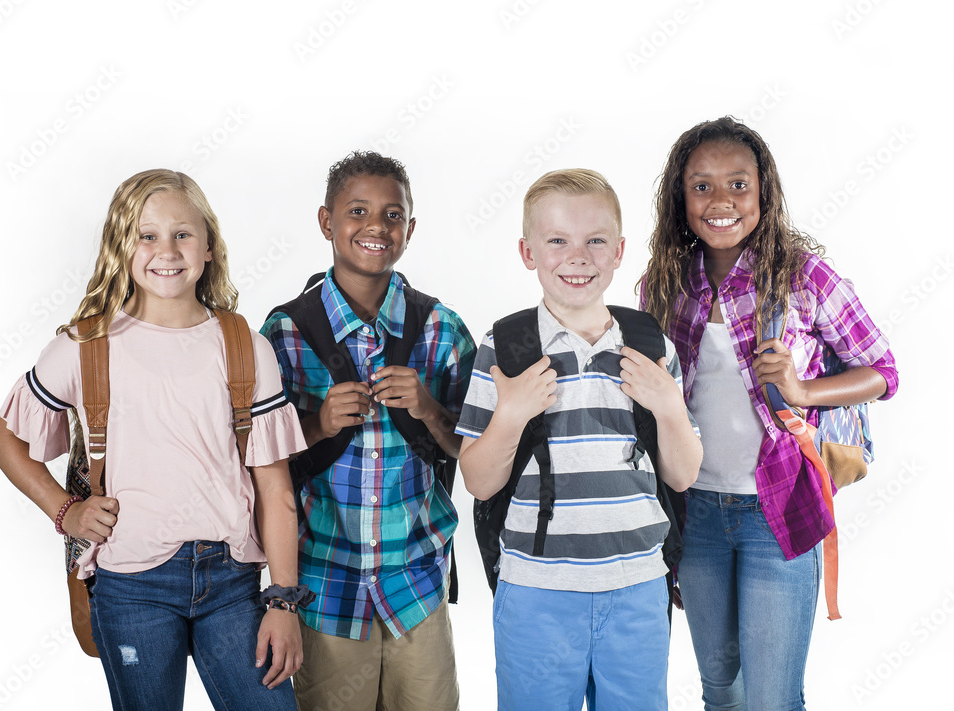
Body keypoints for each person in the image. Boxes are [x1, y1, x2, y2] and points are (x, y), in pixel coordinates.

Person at [0, 169, 308, 711]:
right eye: (147, 234)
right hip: (131, 585)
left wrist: (283, 602)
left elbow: (276, 492)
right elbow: (2, 439)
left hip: (232, 582)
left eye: (183, 233)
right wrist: (65, 511)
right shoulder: (86, 345)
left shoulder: (245, 346)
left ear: (208, 246)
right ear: (121, 245)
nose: (167, 250)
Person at [640, 116, 899, 710]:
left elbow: (883, 373)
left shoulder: (804, 276)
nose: (721, 201)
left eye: (738, 184)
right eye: (701, 186)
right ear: (681, 200)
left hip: (778, 508)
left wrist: (804, 391)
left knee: (772, 699)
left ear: (764, 194)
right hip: (695, 509)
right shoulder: (664, 283)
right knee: (720, 690)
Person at [456, 168, 701, 711]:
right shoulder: (506, 346)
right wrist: (512, 413)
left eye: (595, 241)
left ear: (618, 251)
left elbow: (683, 474)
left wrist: (669, 406)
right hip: (535, 592)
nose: (578, 256)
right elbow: (478, 480)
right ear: (527, 252)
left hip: (638, 586)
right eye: (557, 241)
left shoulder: (649, 342)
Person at [261, 150, 475, 711]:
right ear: (326, 221)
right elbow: (256, 456)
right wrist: (318, 422)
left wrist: (429, 407)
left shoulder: (441, 328)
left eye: (393, 214)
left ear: (410, 227)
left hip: (417, 582)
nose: (376, 226)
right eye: (357, 211)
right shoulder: (285, 334)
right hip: (325, 583)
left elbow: (474, 452)